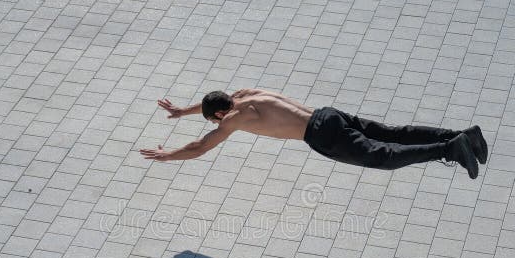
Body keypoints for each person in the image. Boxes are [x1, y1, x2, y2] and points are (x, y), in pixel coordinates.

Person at [140, 89, 487, 179]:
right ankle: (463, 135)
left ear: (219, 113)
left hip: (321, 135)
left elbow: (201, 147)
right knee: (394, 132)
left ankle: (452, 149)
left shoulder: (234, 117)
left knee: (386, 157)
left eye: (214, 119)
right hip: (327, 114)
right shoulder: (243, 94)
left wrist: (168, 154)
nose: (217, 123)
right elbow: (210, 101)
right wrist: (181, 111)